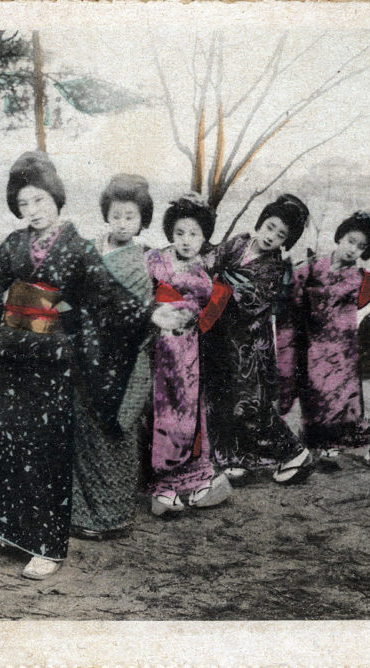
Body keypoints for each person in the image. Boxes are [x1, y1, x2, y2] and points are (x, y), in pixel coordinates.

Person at [0, 152, 175, 579]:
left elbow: (107, 297)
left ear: (57, 199)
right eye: (23, 204)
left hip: (50, 362)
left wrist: (150, 314)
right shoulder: (14, 244)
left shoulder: (78, 249)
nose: (32, 212)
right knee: (7, 443)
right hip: (10, 357)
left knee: (45, 451)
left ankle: (46, 546)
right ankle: (8, 529)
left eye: (39, 201)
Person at [200, 193, 315, 484]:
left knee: (250, 404)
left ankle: (294, 453)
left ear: (285, 241)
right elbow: (207, 262)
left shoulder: (274, 267)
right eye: (270, 226)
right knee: (217, 395)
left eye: (281, 235)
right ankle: (234, 460)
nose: (272, 236)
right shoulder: (239, 242)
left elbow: (250, 299)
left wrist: (220, 281)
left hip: (247, 344)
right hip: (217, 333)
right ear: (262, 222)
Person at [69, 174, 156, 539]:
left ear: (142, 222)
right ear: (107, 214)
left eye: (130, 217)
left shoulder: (139, 263)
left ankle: (114, 515)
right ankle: (82, 514)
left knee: (115, 435)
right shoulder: (91, 248)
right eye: (116, 215)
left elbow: (137, 312)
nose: (122, 223)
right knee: (85, 435)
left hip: (120, 359)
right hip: (86, 356)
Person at [276, 211, 370, 467]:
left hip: (340, 349)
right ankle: (320, 444)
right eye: (351, 241)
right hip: (309, 342)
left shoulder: (356, 279)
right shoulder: (309, 268)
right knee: (312, 396)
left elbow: (349, 312)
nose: (353, 249)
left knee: (340, 401)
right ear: (340, 237)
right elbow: (291, 303)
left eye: (361, 246)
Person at [144, 194, 233, 514]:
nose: (186, 240)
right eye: (180, 232)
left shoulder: (205, 273)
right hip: (155, 346)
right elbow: (141, 296)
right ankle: (162, 486)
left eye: (194, 234)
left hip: (188, 353)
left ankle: (179, 483)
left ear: (205, 236)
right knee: (159, 414)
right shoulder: (155, 260)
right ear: (170, 232)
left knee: (186, 416)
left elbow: (208, 316)